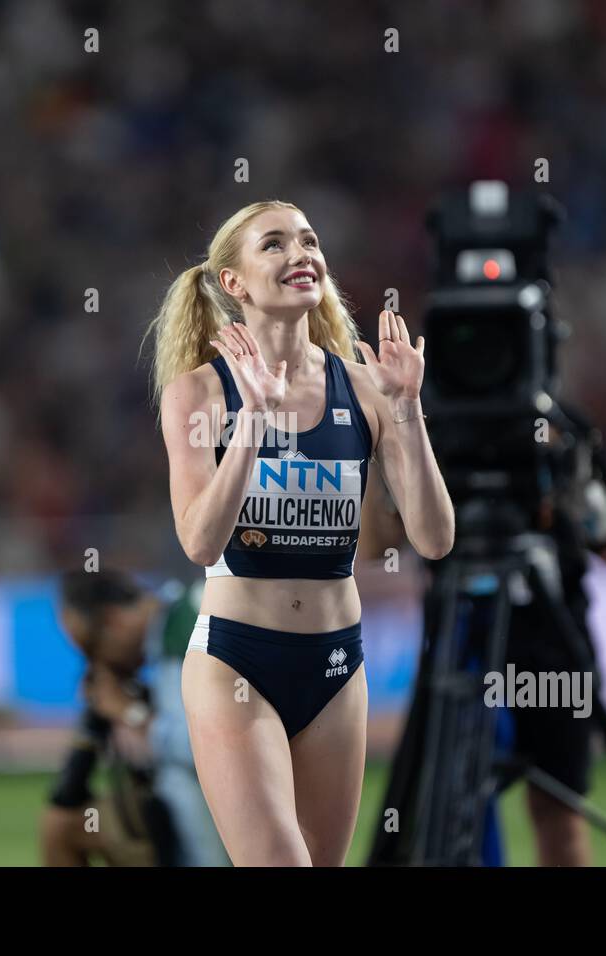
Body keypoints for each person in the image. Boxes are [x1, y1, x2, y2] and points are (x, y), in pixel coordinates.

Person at [146, 200, 455, 866]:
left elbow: (433, 538)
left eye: (310, 240)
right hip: (236, 661)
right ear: (234, 283)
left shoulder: (368, 388)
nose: (301, 254)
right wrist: (253, 423)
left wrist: (407, 412)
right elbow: (199, 542)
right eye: (275, 244)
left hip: (337, 666)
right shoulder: (199, 396)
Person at [358, 400, 606, 866]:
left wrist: (582, 492)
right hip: (462, 636)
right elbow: (375, 545)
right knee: (455, 799)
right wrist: (380, 446)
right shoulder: (424, 428)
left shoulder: (563, 429)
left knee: (559, 811)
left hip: (550, 638)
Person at [40, 568, 228, 866]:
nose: (98, 663)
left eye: (91, 649)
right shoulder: (175, 625)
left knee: (62, 827)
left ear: (114, 620)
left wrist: (131, 713)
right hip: (196, 813)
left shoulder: (189, 625)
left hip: (222, 828)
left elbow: (218, 745)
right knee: (64, 825)